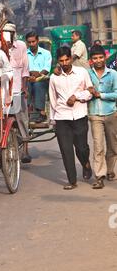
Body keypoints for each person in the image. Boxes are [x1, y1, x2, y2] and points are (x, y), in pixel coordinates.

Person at [49, 46, 93, 190]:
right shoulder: (54, 77)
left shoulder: (82, 72)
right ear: (58, 61)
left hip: (79, 115)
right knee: (66, 150)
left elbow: (90, 91)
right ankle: (72, 181)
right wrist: (53, 119)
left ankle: (86, 164)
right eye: (61, 61)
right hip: (62, 117)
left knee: (82, 148)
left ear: (71, 58)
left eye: (67, 59)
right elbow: (52, 99)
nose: (65, 63)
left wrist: (77, 96)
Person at [0, 23, 31, 163]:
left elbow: (25, 69)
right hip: (1, 92)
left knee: (22, 119)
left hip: (17, 90)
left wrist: (25, 87)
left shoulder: (21, 46)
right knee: (0, 120)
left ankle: (25, 149)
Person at [87, 46, 117, 189]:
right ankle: (100, 176)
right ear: (91, 60)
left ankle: (110, 170)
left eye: (100, 58)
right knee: (98, 146)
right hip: (94, 115)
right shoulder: (87, 74)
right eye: (95, 58)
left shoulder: (113, 74)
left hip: (111, 113)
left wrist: (101, 95)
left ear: (105, 58)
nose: (98, 60)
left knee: (113, 146)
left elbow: (116, 93)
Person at [26, 31, 52, 123]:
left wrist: (37, 74)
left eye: (33, 42)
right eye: (29, 42)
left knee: (38, 85)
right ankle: (26, 111)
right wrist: (30, 74)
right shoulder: (24, 54)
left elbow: (46, 69)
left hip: (42, 78)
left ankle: (41, 112)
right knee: (26, 86)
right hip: (27, 78)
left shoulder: (46, 53)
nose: (31, 44)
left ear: (37, 41)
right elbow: (23, 68)